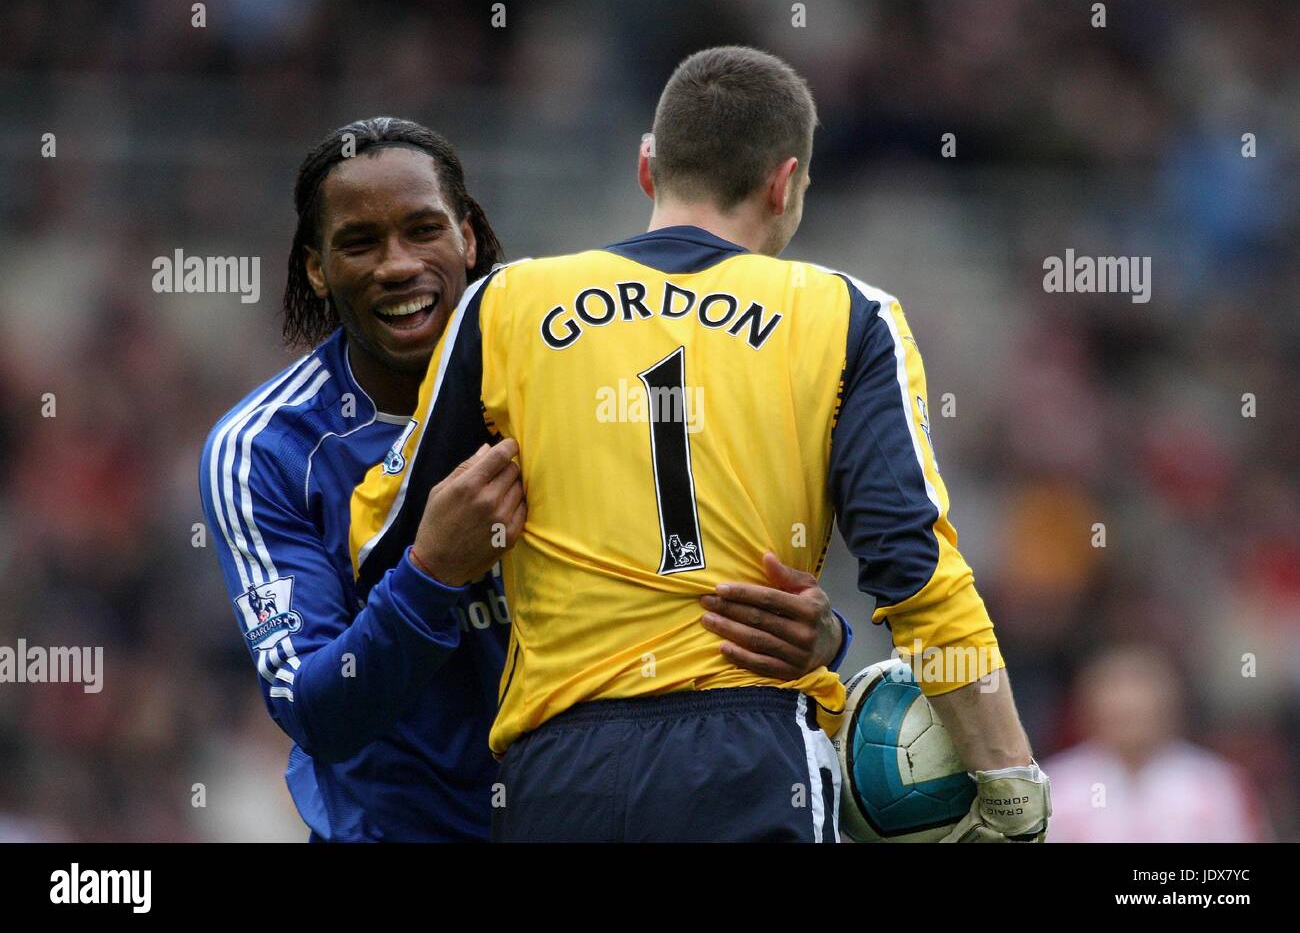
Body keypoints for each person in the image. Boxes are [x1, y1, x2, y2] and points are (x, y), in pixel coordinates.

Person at [349, 48, 1050, 843]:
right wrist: (1010, 781)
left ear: (648, 167)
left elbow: (383, 540)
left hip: (557, 774)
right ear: (785, 184)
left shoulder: (505, 304)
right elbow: (914, 568)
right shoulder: (846, 316)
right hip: (747, 758)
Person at [199, 116, 853, 842]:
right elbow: (317, 710)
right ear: (317, 267)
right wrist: (430, 573)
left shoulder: (583, 372)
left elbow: (685, 585)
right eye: (359, 242)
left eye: (423, 229)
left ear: (469, 237)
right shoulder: (265, 450)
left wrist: (821, 636)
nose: (397, 264)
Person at [1044, 645, 1268, 842]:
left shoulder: (1217, 786)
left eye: (1141, 698)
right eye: (1118, 702)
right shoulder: (1055, 789)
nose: (1129, 710)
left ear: (1170, 704)